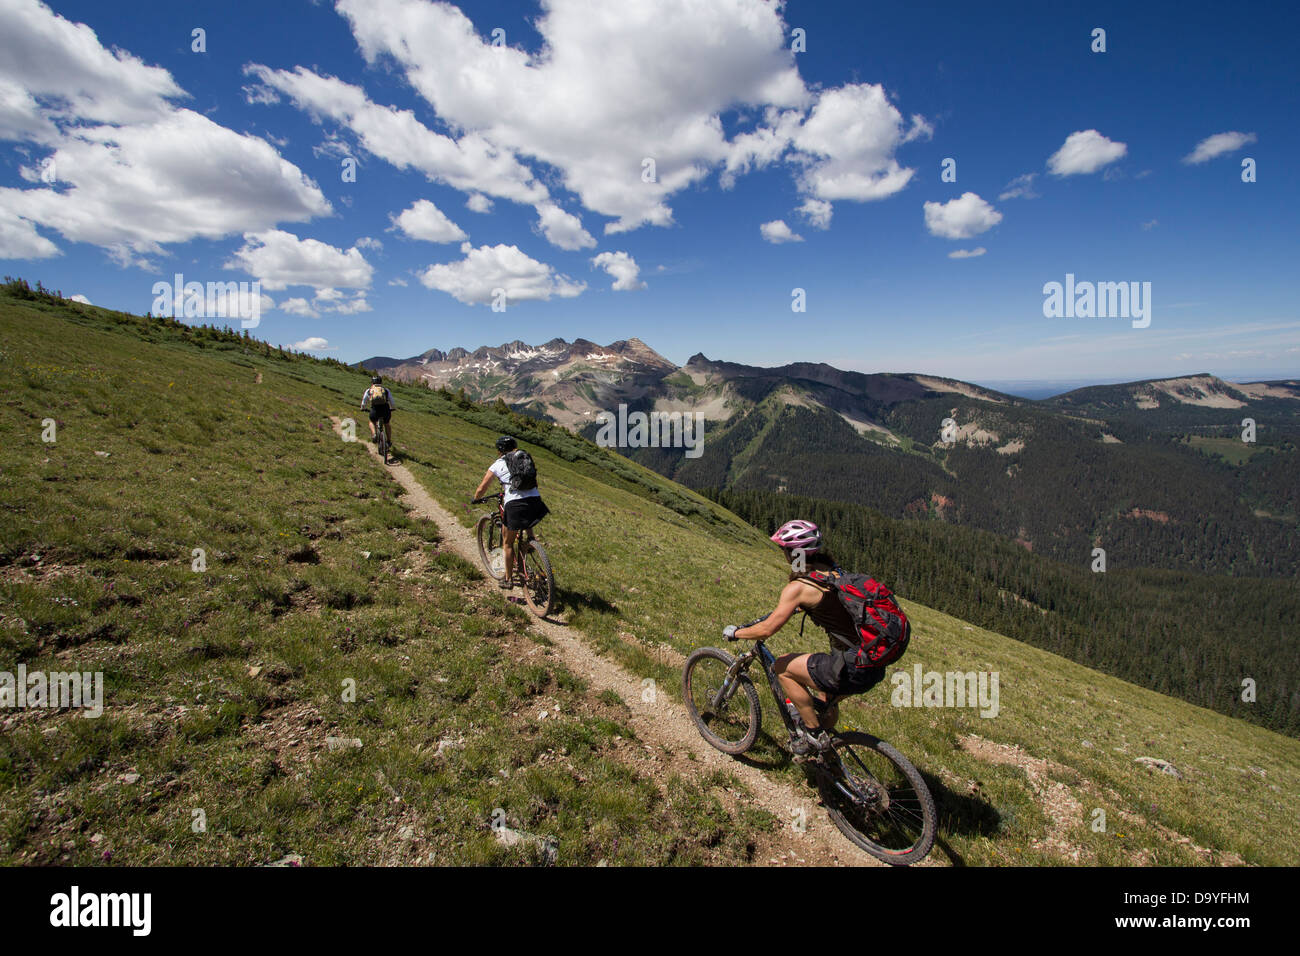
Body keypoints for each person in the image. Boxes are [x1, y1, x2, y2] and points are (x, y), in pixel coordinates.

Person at [724, 519, 891, 755]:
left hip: (852, 668)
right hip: (874, 661)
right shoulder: (832, 571)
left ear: (794, 552)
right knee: (824, 700)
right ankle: (827, 756)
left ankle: (813, 736)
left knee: (781, 667)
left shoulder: (799, 588)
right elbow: (825, 601)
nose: (783, 554)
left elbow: (766, 630)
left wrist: (736, 632)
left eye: (784, 550)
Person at [472, 436, 550, 589]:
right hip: (535, 501)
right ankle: (530, 540)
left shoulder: (498, 464)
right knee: (526, 517)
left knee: (507, 543)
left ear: (499, 450)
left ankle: (507, 580)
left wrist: (476, 498)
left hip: (514, 504)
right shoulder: (523, 457)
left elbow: (482, 488)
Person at [360, 375, 394, 449]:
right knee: (387, 423)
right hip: (385, 410)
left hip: (374, 410)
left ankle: (374, 434)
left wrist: (363, 408)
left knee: (372, 421)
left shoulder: (369, 390)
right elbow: (392, 402)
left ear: (372, 382)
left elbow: (363, 403)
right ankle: (388, 441)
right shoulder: (385, 390)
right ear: (381, 382)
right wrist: (393, 408)